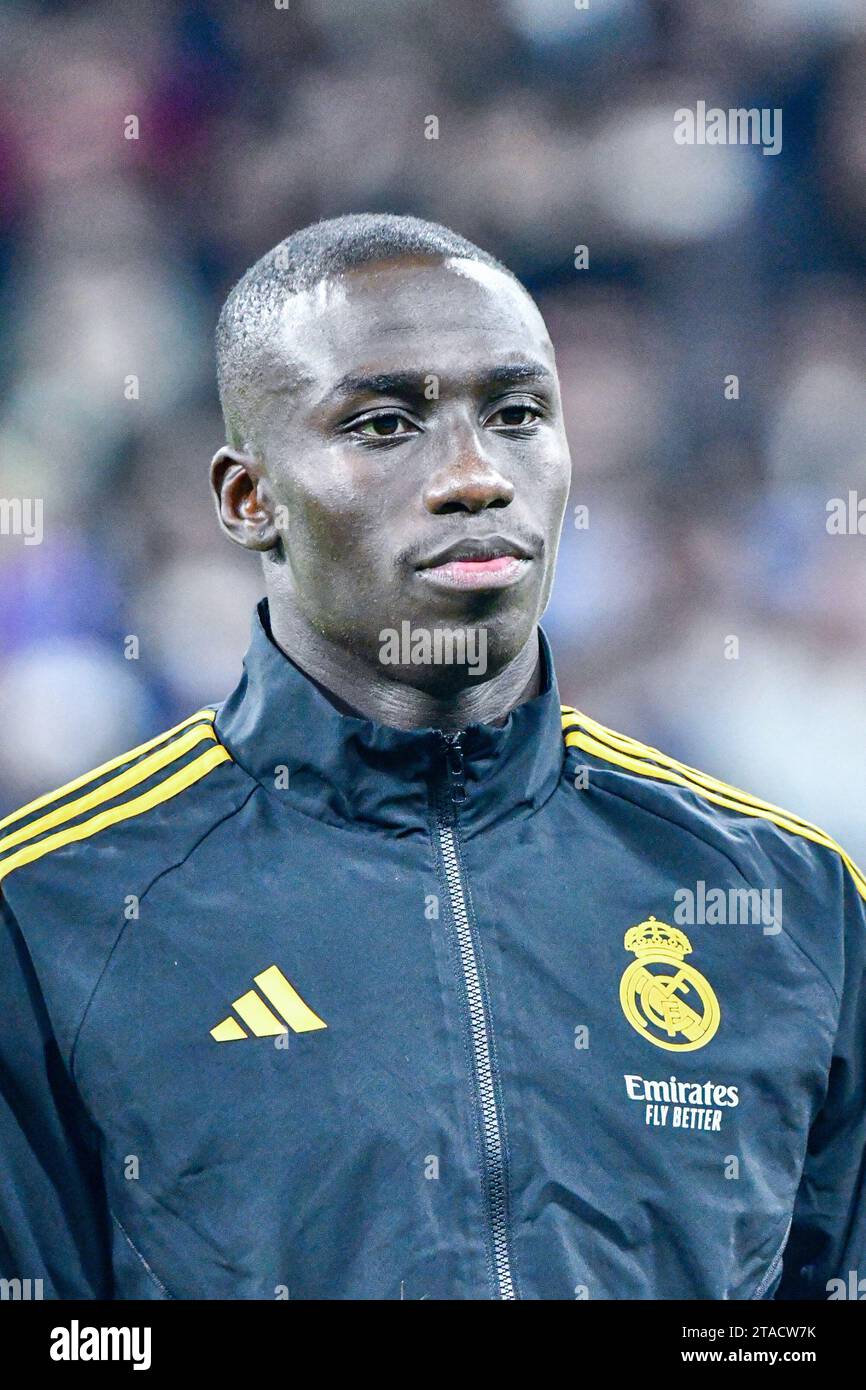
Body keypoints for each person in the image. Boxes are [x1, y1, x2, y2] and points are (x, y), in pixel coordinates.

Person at [1, 214, 863, 1300]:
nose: (473, 477)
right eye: (381, 424)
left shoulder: (787, 897)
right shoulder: (47, 912)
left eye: (514, 415)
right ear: (245, 497)